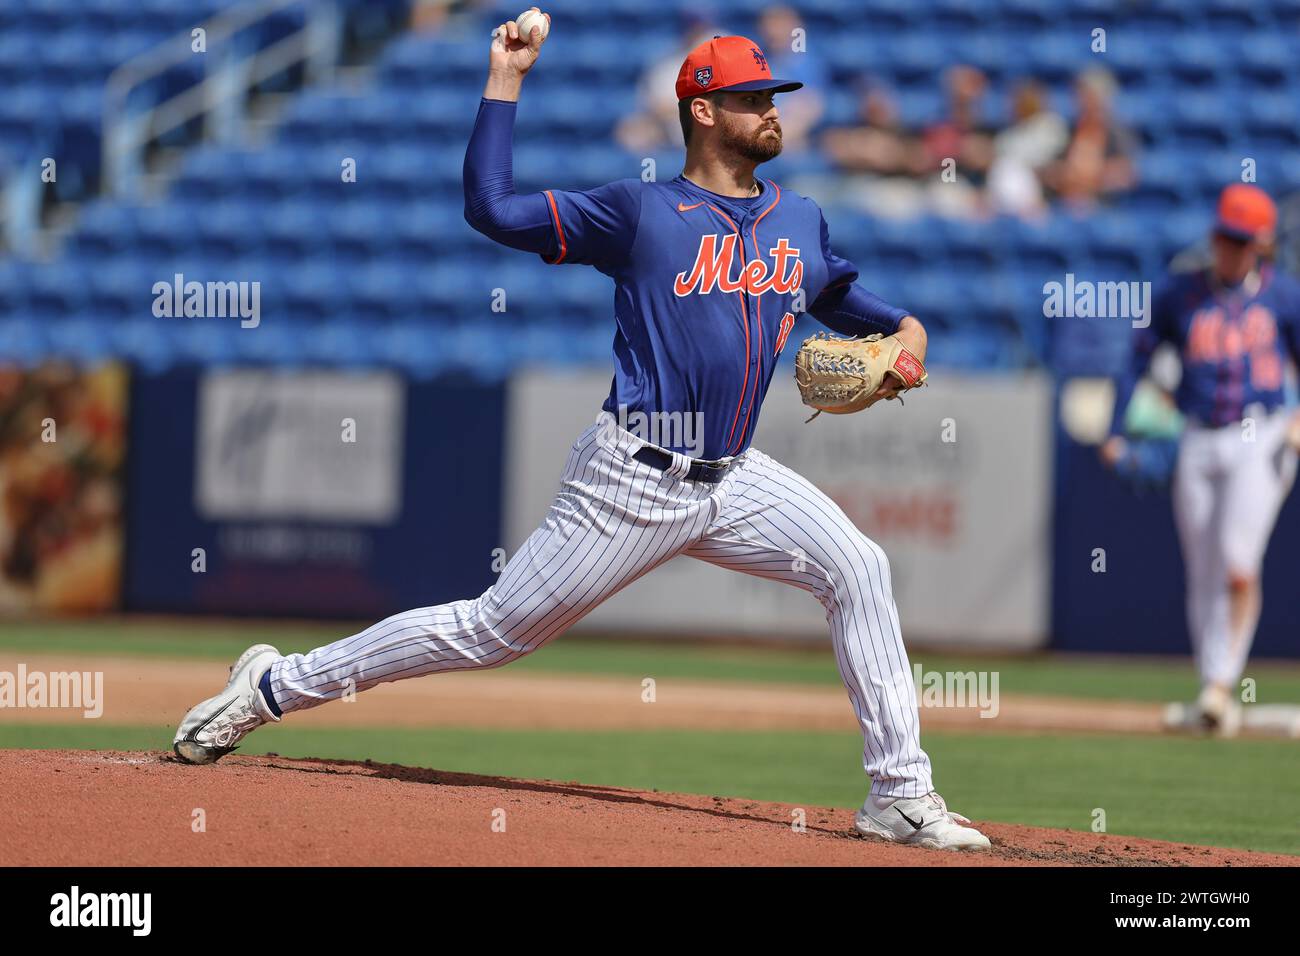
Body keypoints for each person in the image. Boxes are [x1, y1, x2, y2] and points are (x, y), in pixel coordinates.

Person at [173, 9, 991, 851]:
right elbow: (491, 209)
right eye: (751, 98)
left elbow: (876, 314)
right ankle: (275, 685)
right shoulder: (638, 212)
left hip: (737, 476)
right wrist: (508, 79)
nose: (771, 110)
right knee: (492, 632)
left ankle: (899, 794)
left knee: (858, 565)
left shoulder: (799, 219)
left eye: (772, 94)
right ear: (702, 111)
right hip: (633, 479)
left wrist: (908, 347)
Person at [1102, 184, 1300, 735]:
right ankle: (1212, 688)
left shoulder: (1284, 296)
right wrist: (1114, 429)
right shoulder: (1178, 294)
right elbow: (1135, 361)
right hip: (1197, 433)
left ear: (1260, 243)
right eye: (1223, 236)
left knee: (1238, 562)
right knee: (1204, 569)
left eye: (1240, 239)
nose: (1229, 247)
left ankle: (1219, 685)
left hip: (1262, 433)